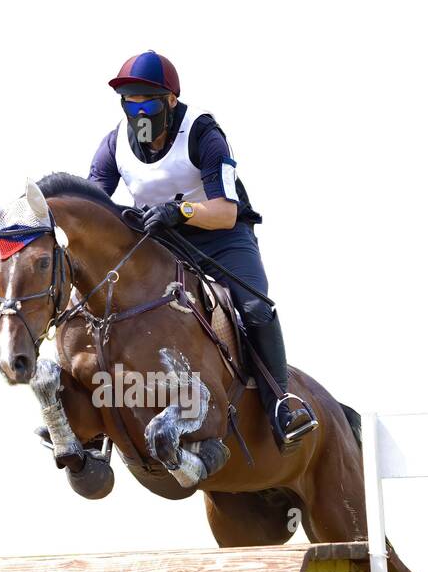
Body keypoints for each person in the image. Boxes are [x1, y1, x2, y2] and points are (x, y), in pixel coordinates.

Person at [87, 50, 317, 452]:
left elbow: (226, 212)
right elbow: (90, 203)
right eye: (130, 102)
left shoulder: (203, 134)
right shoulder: (113, 146)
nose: (137, 111)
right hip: (161, 240)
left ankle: (281, 402)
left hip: (219, 237)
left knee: (255, 308)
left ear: (171, 102)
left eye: (147, 102)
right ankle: (99, 418)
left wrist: (180, 211)